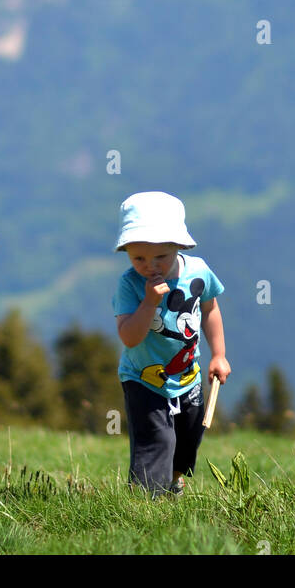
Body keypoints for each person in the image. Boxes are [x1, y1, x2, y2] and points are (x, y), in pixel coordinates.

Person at [112, 191, 230, 497]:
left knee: (190, 434)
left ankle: (174, 481)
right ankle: (146, 501)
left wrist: (219, 355)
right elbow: (129, 336)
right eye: (138, 258)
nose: (150, 266)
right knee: (156, 439)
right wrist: (150, 302)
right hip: (144, 379)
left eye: (160, 257)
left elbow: (210, 309)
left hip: (187, 376)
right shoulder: (130, 285)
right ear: (126, 252)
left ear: (179, 246)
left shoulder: (198, 272)